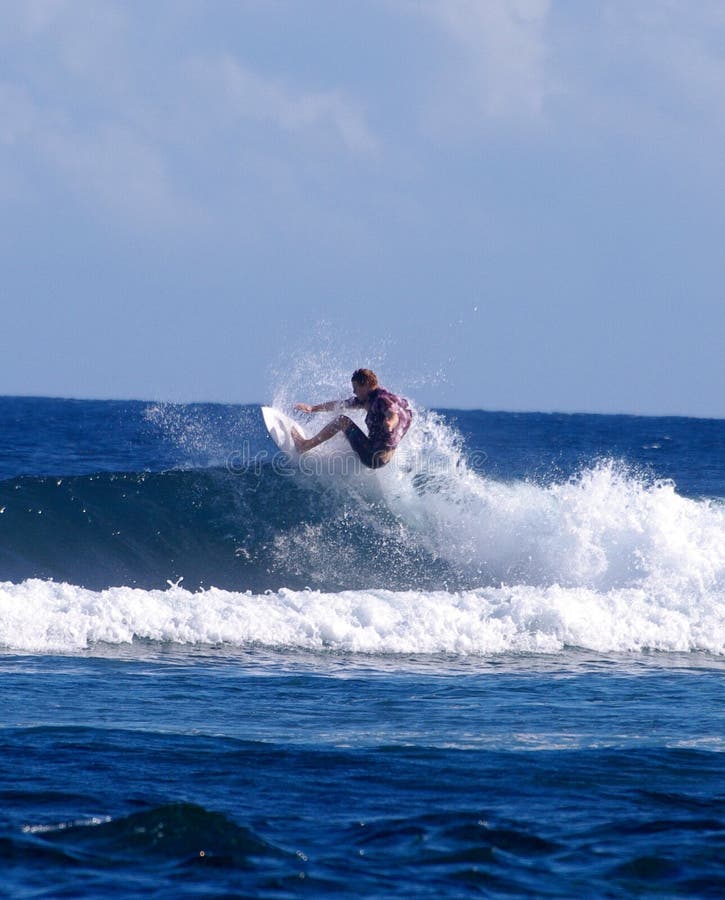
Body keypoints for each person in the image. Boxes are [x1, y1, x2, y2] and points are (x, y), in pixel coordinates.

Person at [293, 369, 412, 469]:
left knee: (342, 421)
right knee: (346, 430)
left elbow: (393, 414)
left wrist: (390, 423)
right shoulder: (369, 399)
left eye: (355, 387)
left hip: (373, 455)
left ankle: (304, 446)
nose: (354, 391)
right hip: (380, 458)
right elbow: (341, 404)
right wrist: (313, 408)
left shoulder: (380, 399)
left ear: (366, 385)